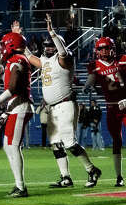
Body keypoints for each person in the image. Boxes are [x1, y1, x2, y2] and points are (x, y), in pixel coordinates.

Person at [26, 15, 100, 188]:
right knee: (55, 144)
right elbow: (29, 56)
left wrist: (52, 33)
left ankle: (91, 170)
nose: (49, 48)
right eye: (47, 46)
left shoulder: (64, 58)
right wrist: (18, 38)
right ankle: (65, 177)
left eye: (52, 46)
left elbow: (63, 52)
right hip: (52, 108)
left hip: (66, 104)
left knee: (69, 142)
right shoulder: (45, 61)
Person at [0, 27, 33, 197]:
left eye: (4, 45)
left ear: (11, 45)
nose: (1, 48)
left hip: (21, 106)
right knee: (7, 146)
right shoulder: (14, 60)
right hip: (15, 107)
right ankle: (19, 185)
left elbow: (12, 89)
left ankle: (21, 186)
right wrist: (6, 112)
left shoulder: (17, 60)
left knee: (13, 146)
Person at [86, 36, 126, 187]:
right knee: (116, 142)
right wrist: (85, 86)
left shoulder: (122, 61)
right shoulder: (94, 65)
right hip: (111, 107)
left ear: (112, 49)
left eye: (107, 48)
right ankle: (119, 177)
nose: (105, 51)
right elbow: (91, 80)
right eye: (101, 48)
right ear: (97, 50)